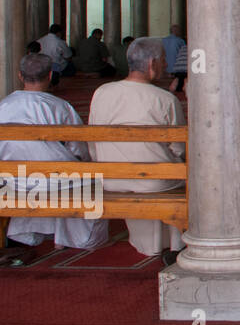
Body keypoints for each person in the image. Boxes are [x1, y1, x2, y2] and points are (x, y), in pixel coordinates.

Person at [87, 38, 186, 262]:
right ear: (152, 64)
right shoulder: (165, 99)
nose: (167, 66)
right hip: (156, 181)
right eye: (163, 60)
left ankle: (150, 243)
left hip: (111, 177)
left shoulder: (102, 92)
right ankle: (177, 243)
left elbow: (92, 143)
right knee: (187, 176)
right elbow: (178, 149)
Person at [0, 53, 109, 253]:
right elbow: (77, 148)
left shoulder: (3, 106)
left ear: (19, 76)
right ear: (50, 75)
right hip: (56, 180)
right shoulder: (59, 107)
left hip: (12, 180)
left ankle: (28, 232)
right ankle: (69, 238)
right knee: (89, 179)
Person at [161, 24, 187, 93]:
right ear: (178, 31)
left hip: (165, 69)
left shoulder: (163, 40)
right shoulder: (180, 41)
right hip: (177, 70)